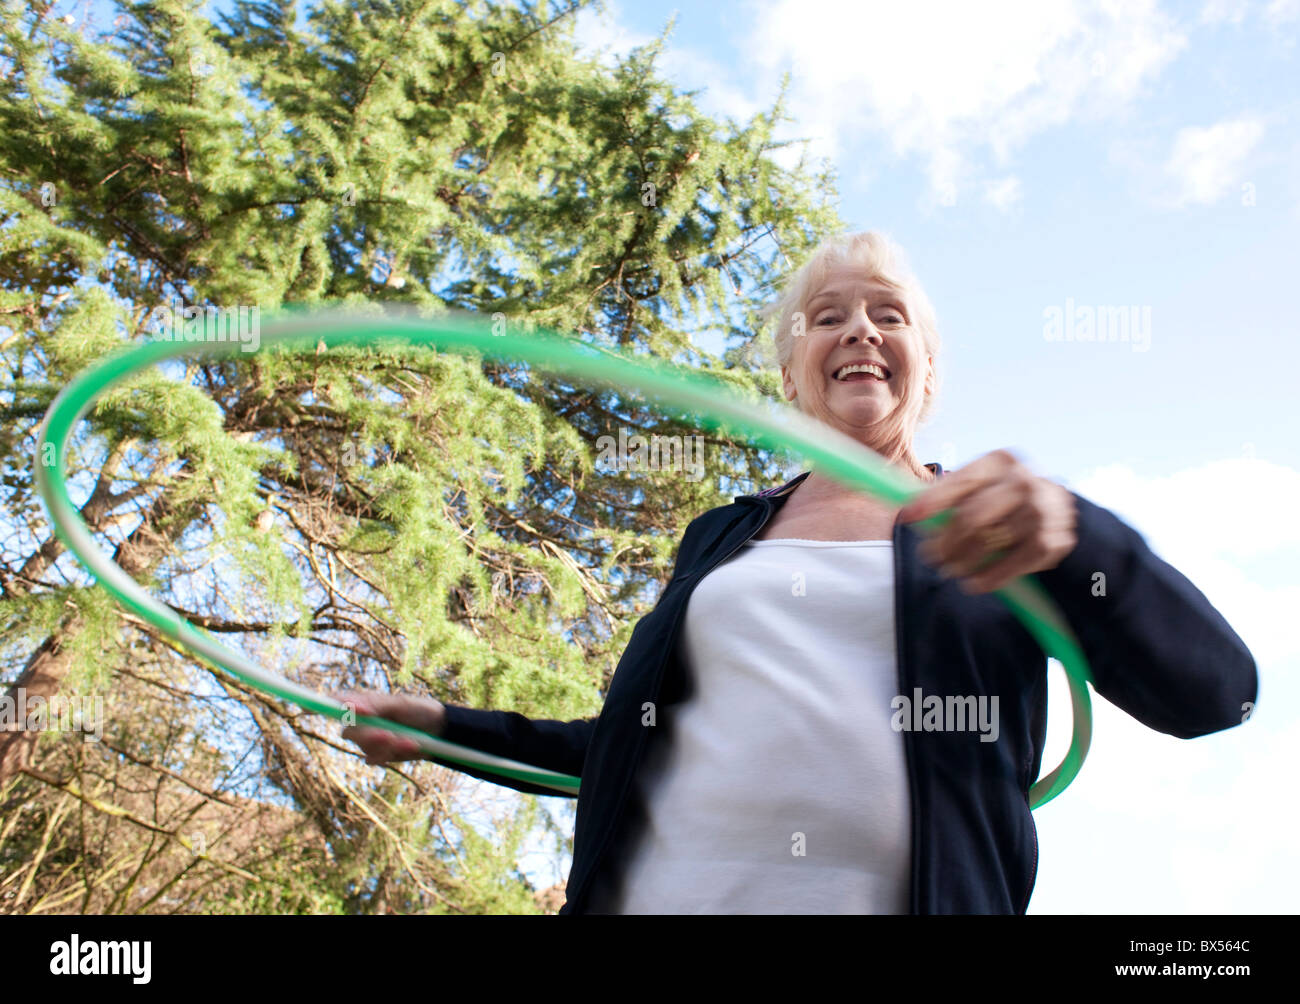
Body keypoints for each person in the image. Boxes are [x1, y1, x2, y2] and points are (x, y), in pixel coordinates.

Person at [340, 231, 1258, 914]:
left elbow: (1217, 693)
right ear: (791, 374)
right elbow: (633, 750)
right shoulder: (721, 539)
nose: (859, 329)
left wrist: (1079, 540)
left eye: (887, 315)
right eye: (828, 318)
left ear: (926, 370)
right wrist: (451, 731)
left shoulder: (999, 524)